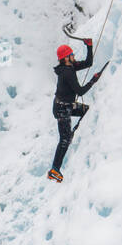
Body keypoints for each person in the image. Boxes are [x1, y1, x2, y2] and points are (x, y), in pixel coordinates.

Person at [47, 41, 103, 181]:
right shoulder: (67, 72)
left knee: (86, 111)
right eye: (71, 55)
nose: (73, 56)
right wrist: (93, 81)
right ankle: (54, 169)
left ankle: (75, 132)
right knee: (65, 140)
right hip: (62, 109)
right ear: (66, 58)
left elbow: (88, 63)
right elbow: (80, 91)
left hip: (65, 105)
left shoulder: (69, 66)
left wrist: (89, 46)